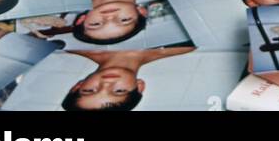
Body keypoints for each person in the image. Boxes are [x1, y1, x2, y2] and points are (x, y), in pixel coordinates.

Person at [61, 45, 193, 111]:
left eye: (90, 91)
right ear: (139, 87)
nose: (106, 84)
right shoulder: (183, 47)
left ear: (78, 86)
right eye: (118, 91)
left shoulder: (68, 45)